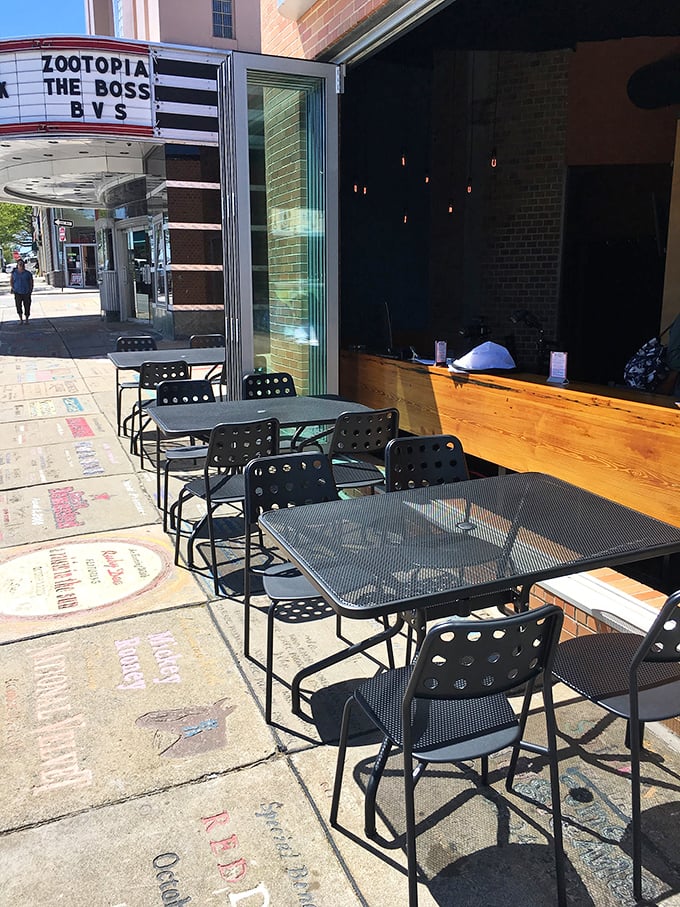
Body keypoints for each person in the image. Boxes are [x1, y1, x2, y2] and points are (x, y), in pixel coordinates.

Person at [10, 259, 34, 324]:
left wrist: (30, 290)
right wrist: (13, 288)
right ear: (17, 265)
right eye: (19, 264)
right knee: (18, 305)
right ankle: (21, 319)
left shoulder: (28, 273)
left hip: (26, 291)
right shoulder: (14, 273)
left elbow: (31, 282)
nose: (21, 265)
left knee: (27, 305)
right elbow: (11, 281)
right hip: (17, 292)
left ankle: (26, 319)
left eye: (22, 264)